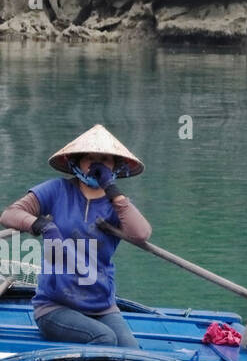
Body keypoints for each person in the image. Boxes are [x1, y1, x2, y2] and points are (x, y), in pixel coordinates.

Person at [0, 124, 151, 348]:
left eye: (105, 161)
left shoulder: (117, 206)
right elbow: (10, 214)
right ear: (77, 162)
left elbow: (141, 234)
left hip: (102, 306)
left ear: (115, 167)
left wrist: (111, 189)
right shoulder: (56, 190)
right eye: (90, 158)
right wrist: (42, 225)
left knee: (133, 353)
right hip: (54, 306)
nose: (96, 165)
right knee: (104, 339)